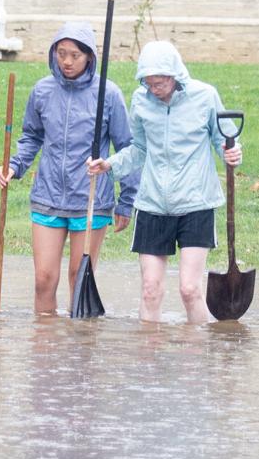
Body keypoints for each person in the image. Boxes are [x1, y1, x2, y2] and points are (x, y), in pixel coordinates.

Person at [88, 41, 243, 324]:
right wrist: (110, 164)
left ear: (175, 76)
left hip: (196, 204)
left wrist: (232, 152)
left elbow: (225, 139)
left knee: (189, 289)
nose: (154, 90)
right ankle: (149, 361)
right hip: (153, 205)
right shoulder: (141, 100)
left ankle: (199, 359)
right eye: (149, 84)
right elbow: (139, 149)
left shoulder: (205, 96)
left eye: (159, 84)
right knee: (150, 290)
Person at [0, 22, 137, 315]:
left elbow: (128, 148)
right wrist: (14, 165)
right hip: (48, 198)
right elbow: (32, 136)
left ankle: (78, 354)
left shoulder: (108, 95)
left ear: (89, 57)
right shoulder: (42, 91)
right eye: (61, 54)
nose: (67, 61)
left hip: (91, 200)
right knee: (44, 279)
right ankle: (46, 349)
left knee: (79, 278)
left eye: (74, 55)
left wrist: (127, 201)